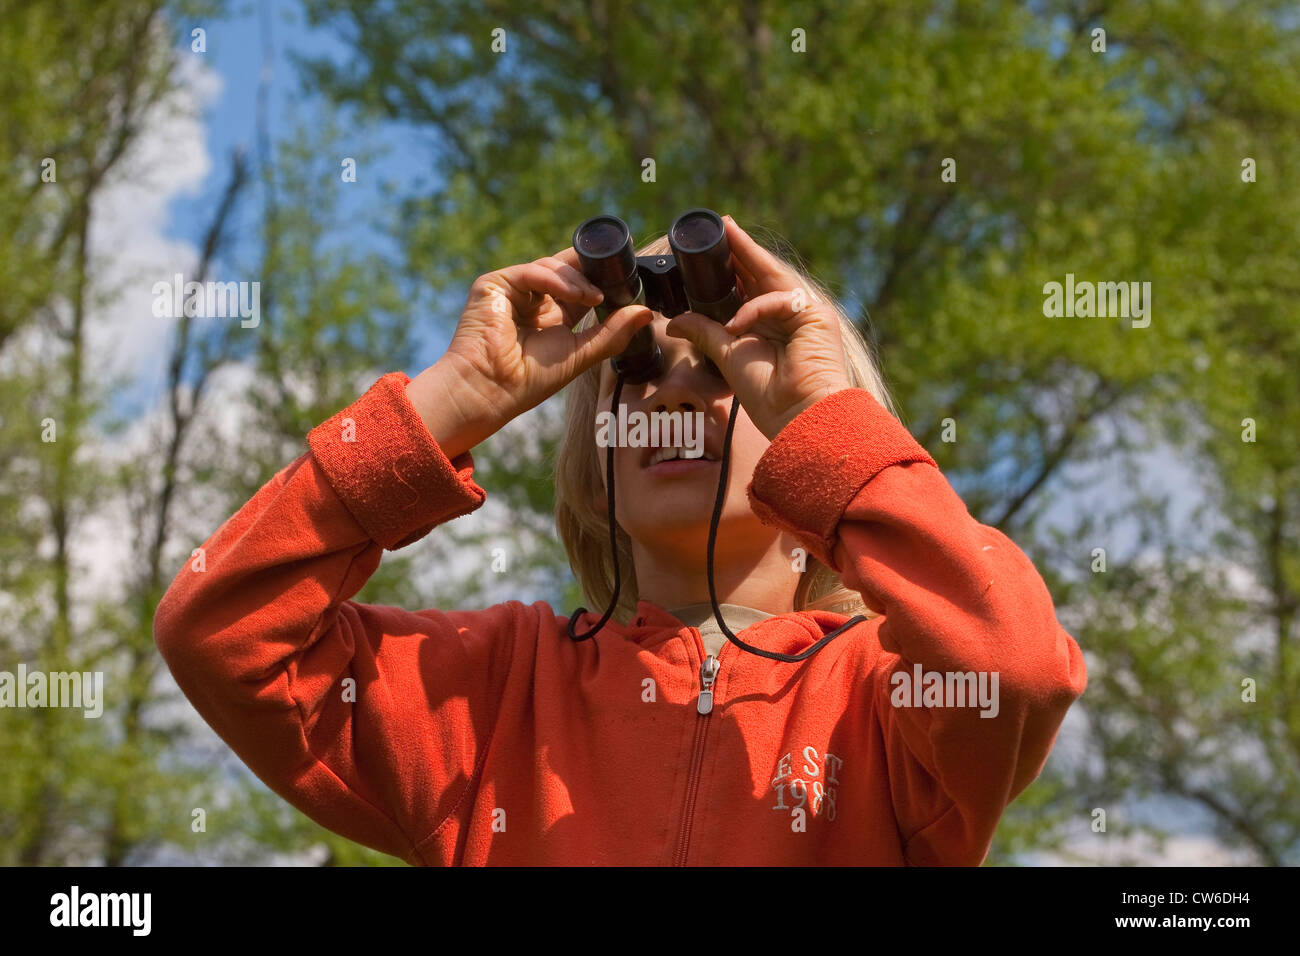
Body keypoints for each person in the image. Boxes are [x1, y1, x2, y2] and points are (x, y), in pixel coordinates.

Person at [153, 214, 1087, 866]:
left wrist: (826, 426)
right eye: (633, 376)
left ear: (821, 438)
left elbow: (1013, 668)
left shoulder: (883, 706)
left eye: (726, 371)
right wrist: (451, 403)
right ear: (594, 464)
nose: (672, 398)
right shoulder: (491, 696)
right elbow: (221, 630)